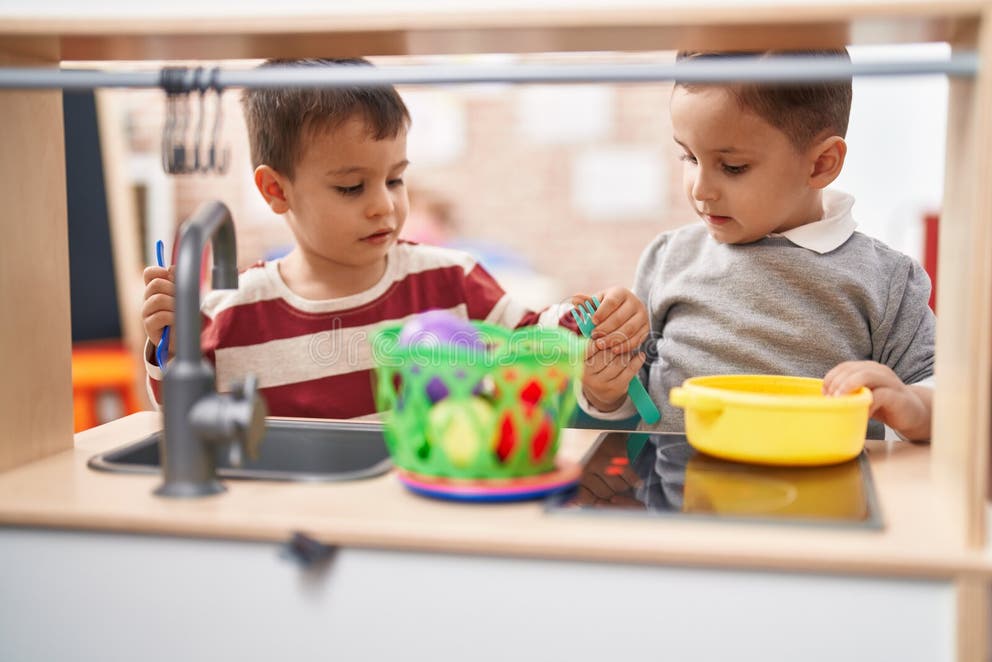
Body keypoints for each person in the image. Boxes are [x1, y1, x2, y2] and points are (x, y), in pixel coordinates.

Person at [141, 58, 644, 419]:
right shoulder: (233, 313)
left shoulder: (450, 280)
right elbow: (183, 414)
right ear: (276, 190)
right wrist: (169, 344)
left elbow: (537, 335)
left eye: (395, 179)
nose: (384, 204)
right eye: (351, 186)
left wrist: (596, 323)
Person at [578, 49, 934, 441]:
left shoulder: (888, 279)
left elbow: (949, 398)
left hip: (823, 498)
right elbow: (638, 401)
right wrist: (606, 388)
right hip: (678, 494)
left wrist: (914, 407)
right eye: (689, 156)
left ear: (820, 164)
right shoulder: (668, 258)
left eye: (732, 167)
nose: (701, 189)